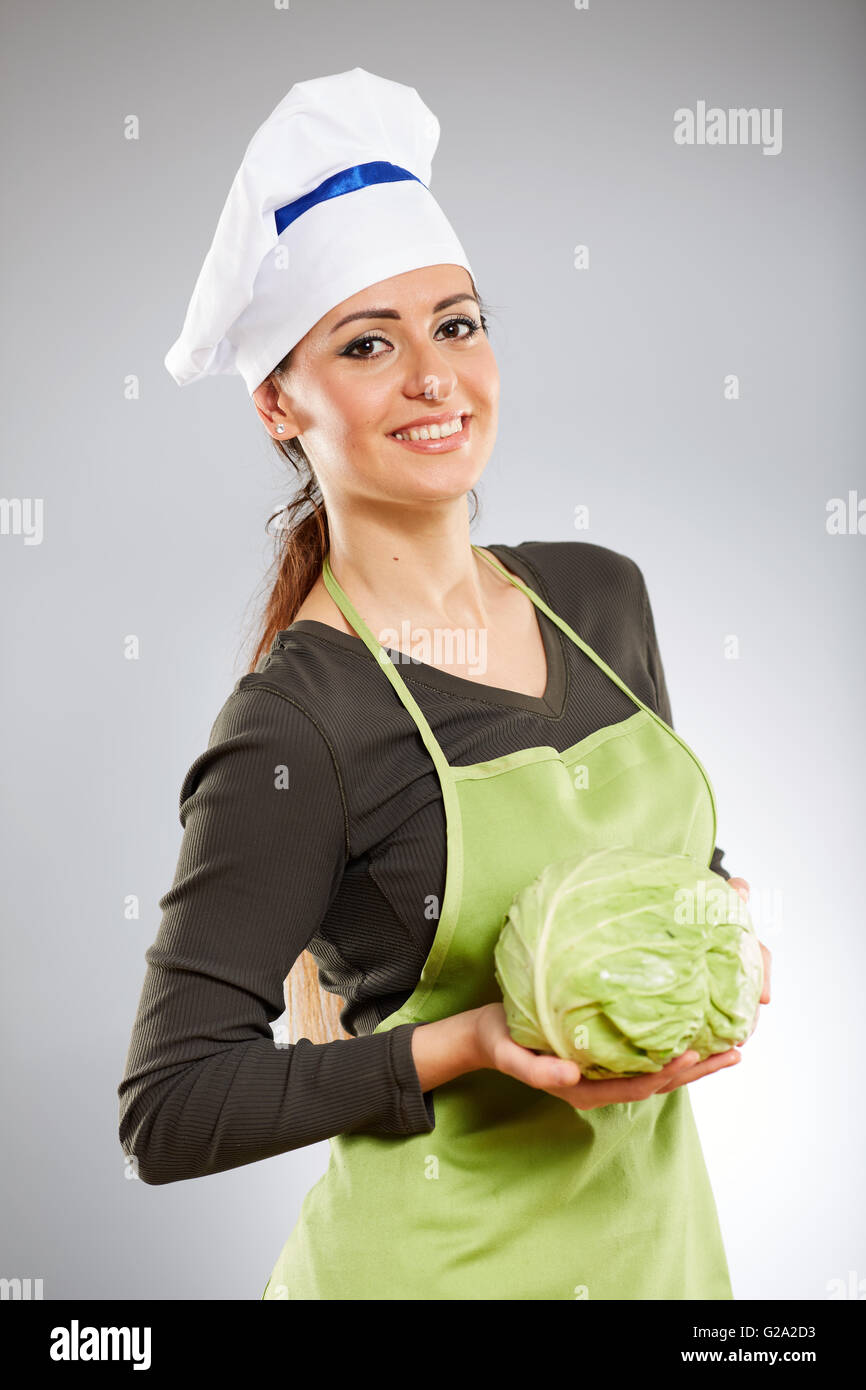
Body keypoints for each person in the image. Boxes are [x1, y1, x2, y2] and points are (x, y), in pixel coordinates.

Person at [118, 67, 771, 1300]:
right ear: (277, 403)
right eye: (368, 343)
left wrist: (716, 933)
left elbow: (664, 869)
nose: (433, 376)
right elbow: (171, 1106)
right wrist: (467, 1042)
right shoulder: (297, 721)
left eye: (456, 324)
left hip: (664, 1265)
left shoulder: (599, 597)